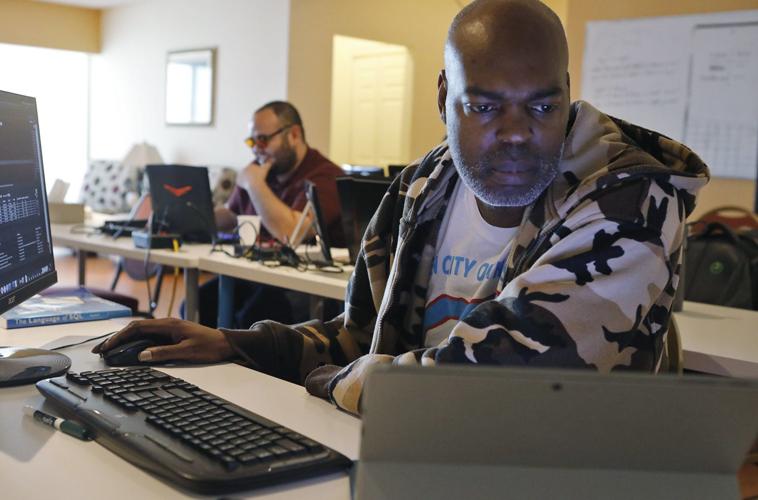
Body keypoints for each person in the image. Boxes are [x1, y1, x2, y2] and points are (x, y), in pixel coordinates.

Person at [97, 0, 709, 416]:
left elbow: (498, 386)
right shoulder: (423, 187)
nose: (517, 133)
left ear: (569, 94)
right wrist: (235, 345)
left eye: (543, 107)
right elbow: (359, 338)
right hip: (413, 459)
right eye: (485, 107)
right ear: (444, 96)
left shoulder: (632, 202)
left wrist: (326, 385)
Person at [187, 101, 345, 327]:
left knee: (251, 319)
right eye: (252, 141)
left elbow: (291, 233)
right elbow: (231, 215)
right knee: (196, 305)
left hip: (305, 284)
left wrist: (255, 185)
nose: (256, 149)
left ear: (294, 135)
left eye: (262, 139)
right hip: (259, 273)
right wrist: (189, 217)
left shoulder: (325, 176)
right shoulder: (261, 170)